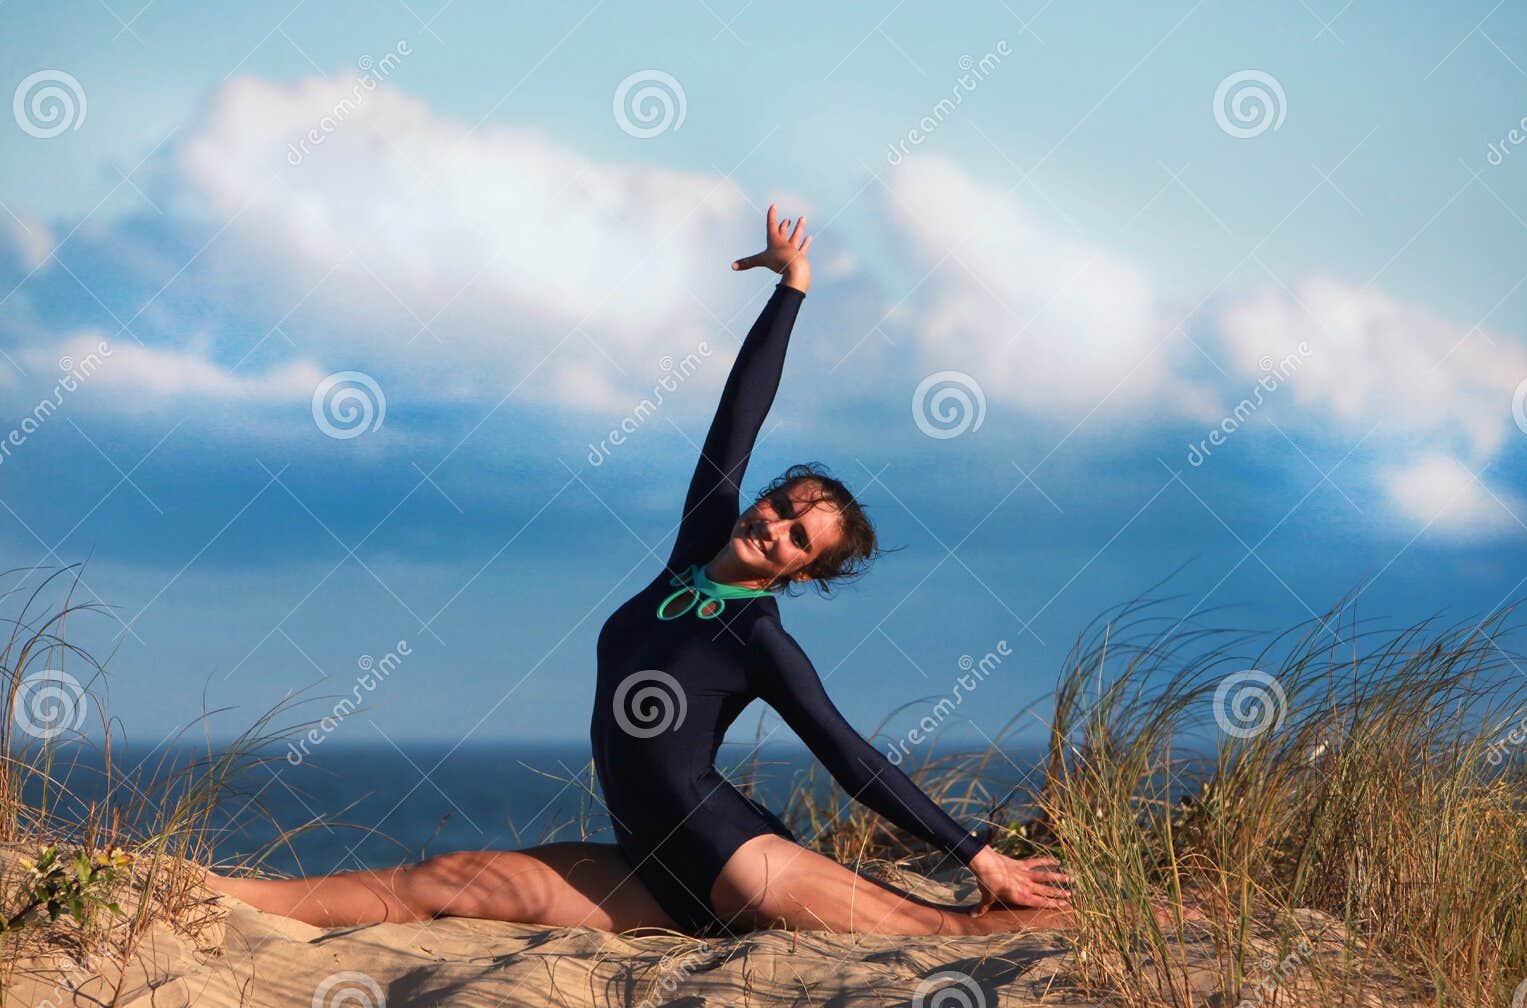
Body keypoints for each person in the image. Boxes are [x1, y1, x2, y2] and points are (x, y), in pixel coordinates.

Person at [211, 205, 1075, 937]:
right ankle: (223, 895)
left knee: (957, 930)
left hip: (741, 864)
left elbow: (850, 757)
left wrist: (978, 853)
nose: (775, 527)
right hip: (647, 871)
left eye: (798, 539)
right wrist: (792, 287)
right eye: (781, 505)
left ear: (803, 574)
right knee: (442, 879)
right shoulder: (693, 551)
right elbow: (737, 414)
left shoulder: (759, 636)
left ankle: (1069, 909)